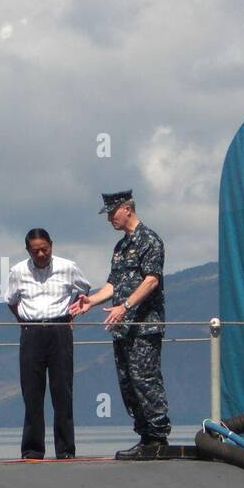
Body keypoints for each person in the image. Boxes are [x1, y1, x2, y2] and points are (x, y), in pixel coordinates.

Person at [71, 190, 172, 460]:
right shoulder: (121, 247)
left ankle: (158, 437)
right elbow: (113, 285)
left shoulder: (149, 240)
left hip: (143, 326)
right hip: (122, 328)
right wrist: (90, 302)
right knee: (128, 383)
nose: (109, 220)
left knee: (146, 380)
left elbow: (151, 280)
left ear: (127, 209)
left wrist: (125, 307)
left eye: (112, 213)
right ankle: (144, 436)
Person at [3, 228, 90, 459]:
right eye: (35, 251)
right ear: (27, 250)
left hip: (60, 329)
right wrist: (23, 321)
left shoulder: (67, 267)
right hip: (31, 331)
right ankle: (32, 449)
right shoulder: (18, 271)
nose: (41, 254)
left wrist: (72, 312)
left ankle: (65, 449)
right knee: (32, 393)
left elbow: (85, 290)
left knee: (62, 391)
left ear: (52, 244)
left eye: (45, 249)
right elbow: (11, 300)